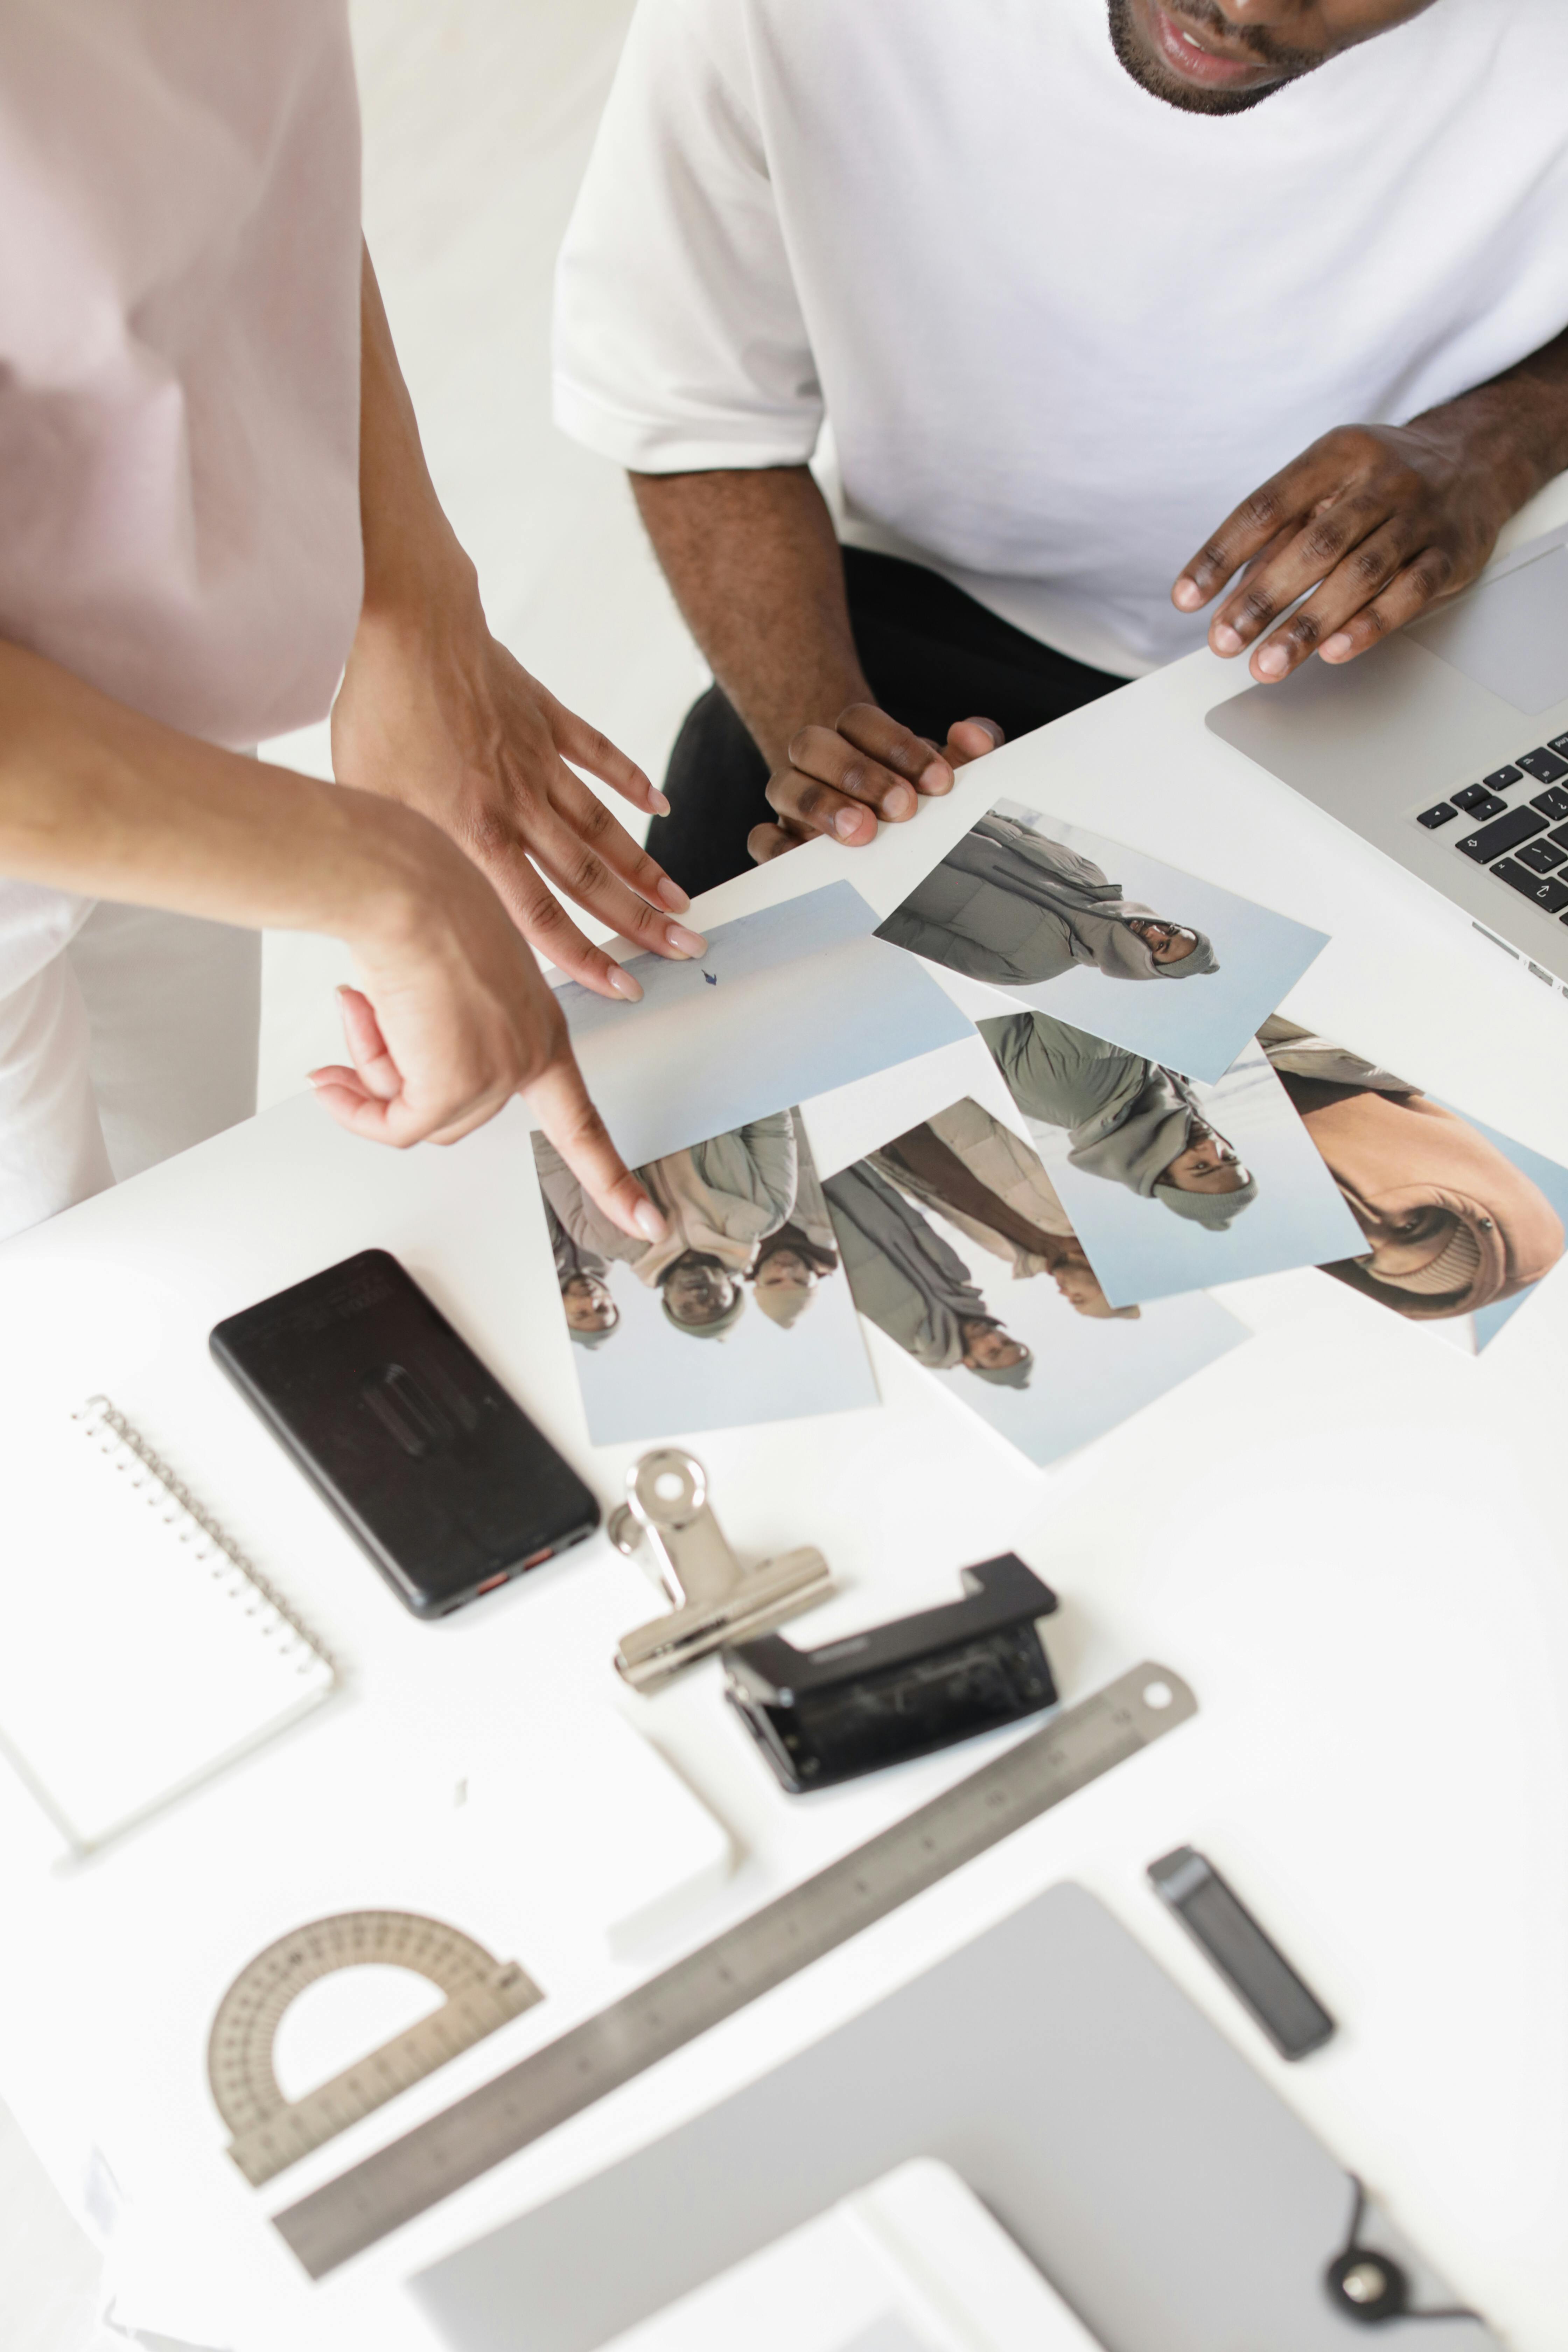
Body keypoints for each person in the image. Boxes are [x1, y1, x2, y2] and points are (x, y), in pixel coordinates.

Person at [553, 0, 1568, 894]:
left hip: (1412, 652)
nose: (1243, 5)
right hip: (914, 625)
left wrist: (1504, 437)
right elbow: (696, 403)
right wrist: (838, 757)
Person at [0, 3, 714, 1248]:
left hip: (174, 727)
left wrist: (414, 603)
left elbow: (254, 169)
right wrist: (391, 885)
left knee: (200, 1227)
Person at [1257, 1016, 1564, 1317]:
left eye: (1363, 1254)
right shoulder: (1360, 1036)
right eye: (1411, 1225)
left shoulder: (1230, 1170)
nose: (1359, 1229)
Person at [980, 1010, 1258, 1230]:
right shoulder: (1164, 1085)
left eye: (1200, 1166)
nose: (1212, 1147)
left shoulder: (1081, 1087)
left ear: (1157, 1170)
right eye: (1229, 1157)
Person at [877, 813, 1216, 992]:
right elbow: (1015, 828)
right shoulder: (1093, 876)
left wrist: (866, 893)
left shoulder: (1031, 968)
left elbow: (911, 938)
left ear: (1145, 967)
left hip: (874, 868)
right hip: (914, 814)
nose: (1155, 931)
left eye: (1162, 946)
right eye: (1171, 929)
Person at [536, 1111, 797, 1338]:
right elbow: (771, 1127)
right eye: (717, 1304)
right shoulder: (768, 1212)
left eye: (688, 1309)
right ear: (734, 1287)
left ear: (667, 1301)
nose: (700, 1298)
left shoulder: (598, 1238)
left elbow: (553, 1161)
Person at [822, 1161, 1033, 1385]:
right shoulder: (961, 1283)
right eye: (1006, 1342)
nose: (994, 1338)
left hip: (816, 1213)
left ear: (971, 1364)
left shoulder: (908, 1342)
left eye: (992, 1352)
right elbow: (911, 1220)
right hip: (850, 1180)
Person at [748, 1107, 839, 1327]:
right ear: (814, 1279)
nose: (786, 1271)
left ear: (758, 1281)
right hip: (809, 1104)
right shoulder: (834, 1225)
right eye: (799, 1280)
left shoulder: (736, 1233)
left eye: (774, 1281)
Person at [545, 1198, 621, 1348]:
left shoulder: (534, 1268)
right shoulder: (612, 1247)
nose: (592, 1301)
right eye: (602, 1308)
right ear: (610, 1299)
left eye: (582, 1314)